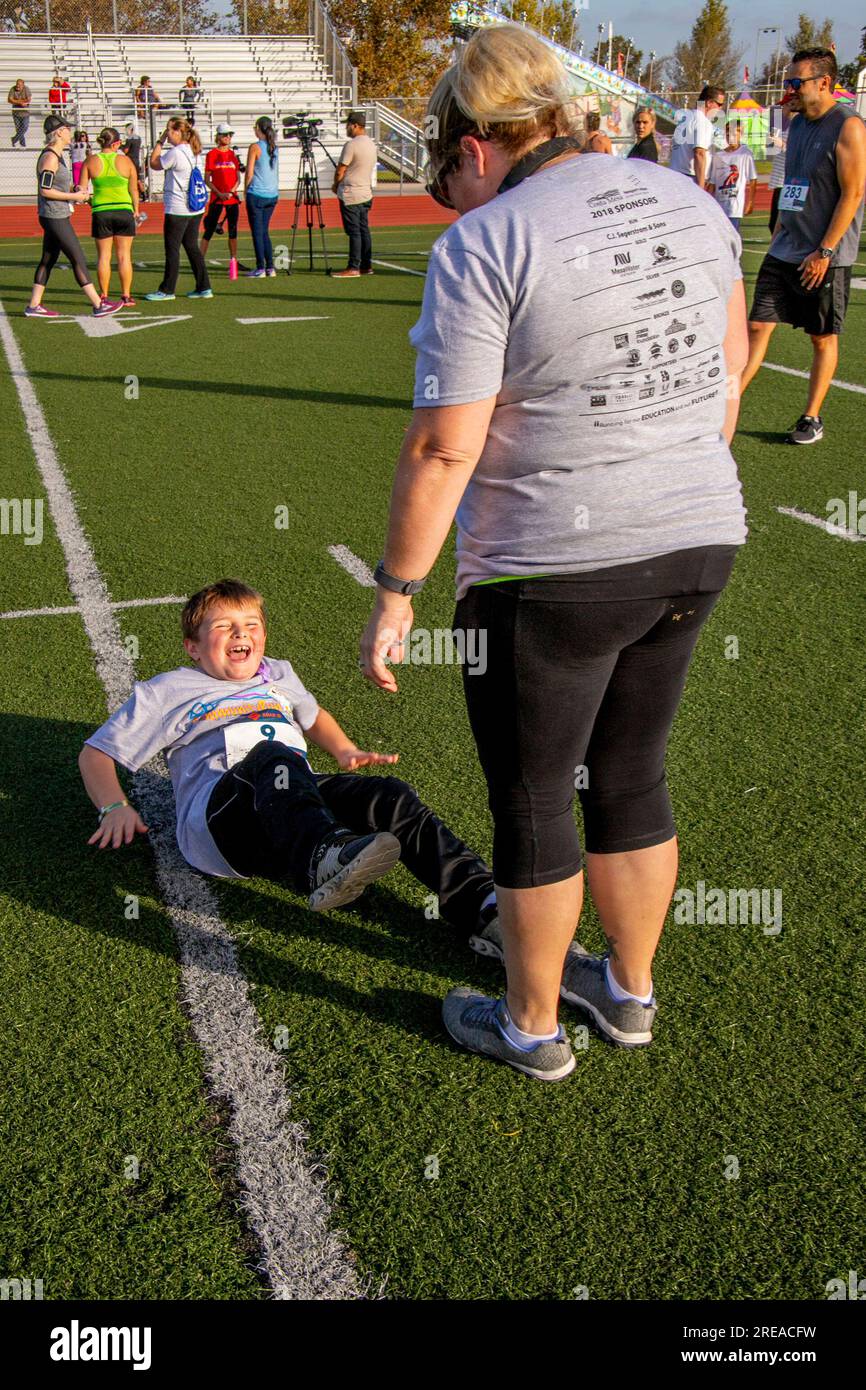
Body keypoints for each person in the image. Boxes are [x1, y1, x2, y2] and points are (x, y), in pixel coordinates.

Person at [361, 23, 749, 1080]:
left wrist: (395, 589)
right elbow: (728, 368)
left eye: (450, 169)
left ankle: (530, 1026)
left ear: (476, 143)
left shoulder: (486, 242)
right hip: (697, 536)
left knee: (535, 799)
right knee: (629, 777)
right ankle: (627, 992)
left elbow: (445, 445)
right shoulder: (689, 198)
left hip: (550, 567)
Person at [78, 579, 499, 943]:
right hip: (222, 823)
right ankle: (321, 856)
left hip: (290, 800)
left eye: (251, 625)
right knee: (271, 756)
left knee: (389, 795)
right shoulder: (168, 690)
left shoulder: (276, 673)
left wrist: (344, 749)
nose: (240, 634)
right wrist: (114, 807)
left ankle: (484, 906)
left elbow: (311, 716)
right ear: (193, 647)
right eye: (224, 627)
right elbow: (96, 752)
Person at [741, 47, 866, 445]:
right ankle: (728, 403)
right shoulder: (796, 125)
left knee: (821, 337)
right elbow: (791, 184)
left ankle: (811, 417)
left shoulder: (849, 126)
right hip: (786, 247)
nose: (789, 89)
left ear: (824, 83)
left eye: (797, 82)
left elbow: (854, 193)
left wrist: (825, 251)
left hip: (824, 255)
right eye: (787, 82)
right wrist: (779, 227)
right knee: (757, 325)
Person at [25, 114, 122, 319]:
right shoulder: (51, 156)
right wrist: (74, 195)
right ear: (59, 132)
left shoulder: (57, 155)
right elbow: (45, 189)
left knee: (48, 259)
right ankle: (98, 304)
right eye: (67, 129)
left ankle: (34, 305)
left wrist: (77, 191)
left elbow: (56, 186)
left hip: (54, 214)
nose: (70, 132)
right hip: (54, 215)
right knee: (77, 257)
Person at [145, 117, 212, 301]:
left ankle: (167, 289)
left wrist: (160, 141)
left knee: (172, 249)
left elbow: (154, 163)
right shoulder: (195, 150)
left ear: (176, 132)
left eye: (169, 131)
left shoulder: (175, 152)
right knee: (191, 246)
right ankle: (204, 286)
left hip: (177, 207)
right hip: (194, 208)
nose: (167, 134)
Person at [78, 127, 139, 308]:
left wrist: (94, 204)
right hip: (124, 211)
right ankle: (126, 296)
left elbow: (82, 192)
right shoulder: (126, 161)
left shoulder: (91, 161)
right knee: (124, 256)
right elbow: (134, 190)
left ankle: (103, 296)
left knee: (104, 256)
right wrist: (135, 210)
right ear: (117, 143)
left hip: (101, 212)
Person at [331, 110, 376, 278]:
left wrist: (336, 185)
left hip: (351, 193)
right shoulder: (371, 144)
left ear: (355, 125)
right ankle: (366, 265)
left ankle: (353, 267)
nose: (346, 128)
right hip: (365, 192)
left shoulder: (352, 145)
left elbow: (341, 169)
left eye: (348, 125)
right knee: (364, 229)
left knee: (354, 232)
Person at [200, 122, 241, 271]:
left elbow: (238, 178)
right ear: (219, 136)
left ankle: (233, 262)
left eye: (230, 135)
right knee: (209, 230)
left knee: (233, 230)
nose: (228, 137)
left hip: (232, 198)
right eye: (226, 135)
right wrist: (219, 193)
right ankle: (200, 261)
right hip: (217, 199)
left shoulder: (233, 155)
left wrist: (231, 192)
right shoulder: (212, 155)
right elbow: (207, 179)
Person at [706, 118, 757, 233]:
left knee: (733, 237)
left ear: (741, 134)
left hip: (734, 208)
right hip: (718, 207)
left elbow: (753, 180)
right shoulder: (718, 156)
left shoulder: (745, 154)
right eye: (728, 133)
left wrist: (750, 202)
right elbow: (712, 184)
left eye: (735, 133)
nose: (731, 137)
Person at [669, 84, 724, 188]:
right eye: (719, 104)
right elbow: (699, 153)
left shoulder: (685, 118)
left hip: (674, 175)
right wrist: (701, 186)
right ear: (709, 103)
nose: (721, 108)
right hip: (688, 179)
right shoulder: (702, 121)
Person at [244, 116, 279, 277]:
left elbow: (249, 172)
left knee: (257, 232)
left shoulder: (255, 147)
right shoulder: (274, 146)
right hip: (272, 194)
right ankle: (270, 267)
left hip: (257, 193)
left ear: (259, 128)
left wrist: (245, 190)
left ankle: (260, 267)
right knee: (264, 231)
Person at [8, 79, 31, 148]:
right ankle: (23, 144)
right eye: (17, 84)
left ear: (23, 85)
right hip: (16, 112)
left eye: (19, 85)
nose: (17, 86)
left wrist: (15, 101)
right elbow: (9, 100)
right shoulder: (12, 89)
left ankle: (14, 139)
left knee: (25, 128)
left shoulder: (26, 89)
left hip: (25, 112)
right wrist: (21, 102)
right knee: (18, 129)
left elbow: (28, 99)